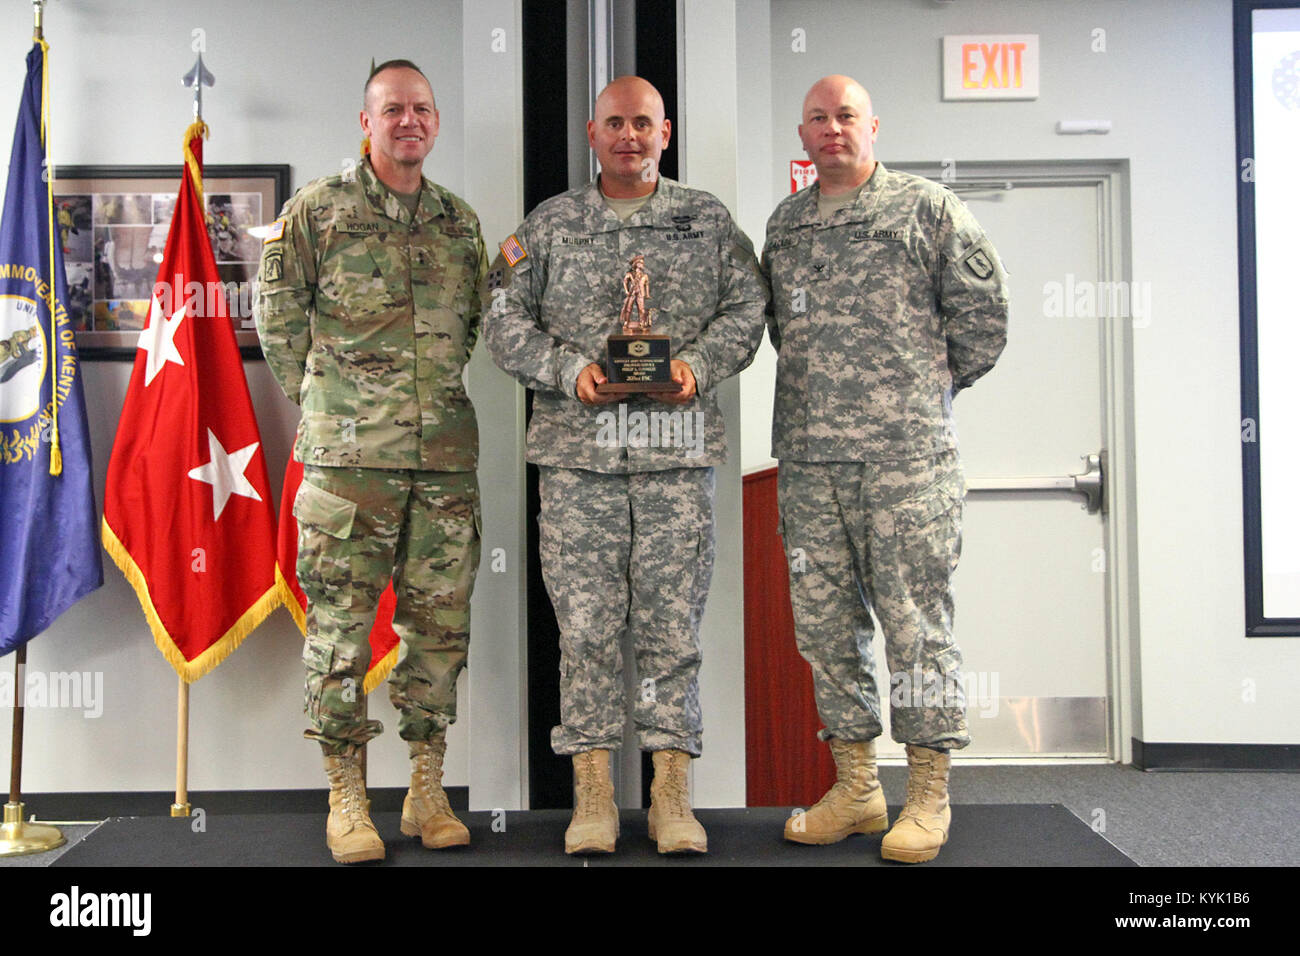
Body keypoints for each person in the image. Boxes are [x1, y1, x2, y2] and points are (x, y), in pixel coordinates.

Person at [486, 75, 765, 855]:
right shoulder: (550, 226)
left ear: (665, 133)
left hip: (675, 461)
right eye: (615, 124)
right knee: (586, 630)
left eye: (643, 124)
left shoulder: (704, 221)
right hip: (579, 464)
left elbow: (750, 308)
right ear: (591, 132)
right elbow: (500, 315)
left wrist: (699, 367)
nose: (629, 137)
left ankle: (671, 794)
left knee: (673, 628)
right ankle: (595, 796)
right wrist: (566, 368)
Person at [762, 75, 1008, 863]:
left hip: (906, 462)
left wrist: (918, 394)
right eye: (818, 118)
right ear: (802, 134)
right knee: (827, 631)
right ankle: (859, 787)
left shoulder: (927, 210)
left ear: (874, 125)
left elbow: (984, 323)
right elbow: (779, 331)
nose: (833, 129)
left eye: (847, 116)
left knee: (915, 627)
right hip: (809, 461)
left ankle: (928, 792)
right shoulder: (787, 224)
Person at [254, 60, 487, 864]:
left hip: (445, 463)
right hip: (348, 468)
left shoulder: (461, 223)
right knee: (342, 631)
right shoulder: (315, 214)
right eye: (394, 110)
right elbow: (282, 331)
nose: (410, 121)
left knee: (440, 630)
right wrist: (336, 412)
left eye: (422, 109)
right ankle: (346, 795)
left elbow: (472, 329)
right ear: (367, 121)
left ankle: (427, 786)